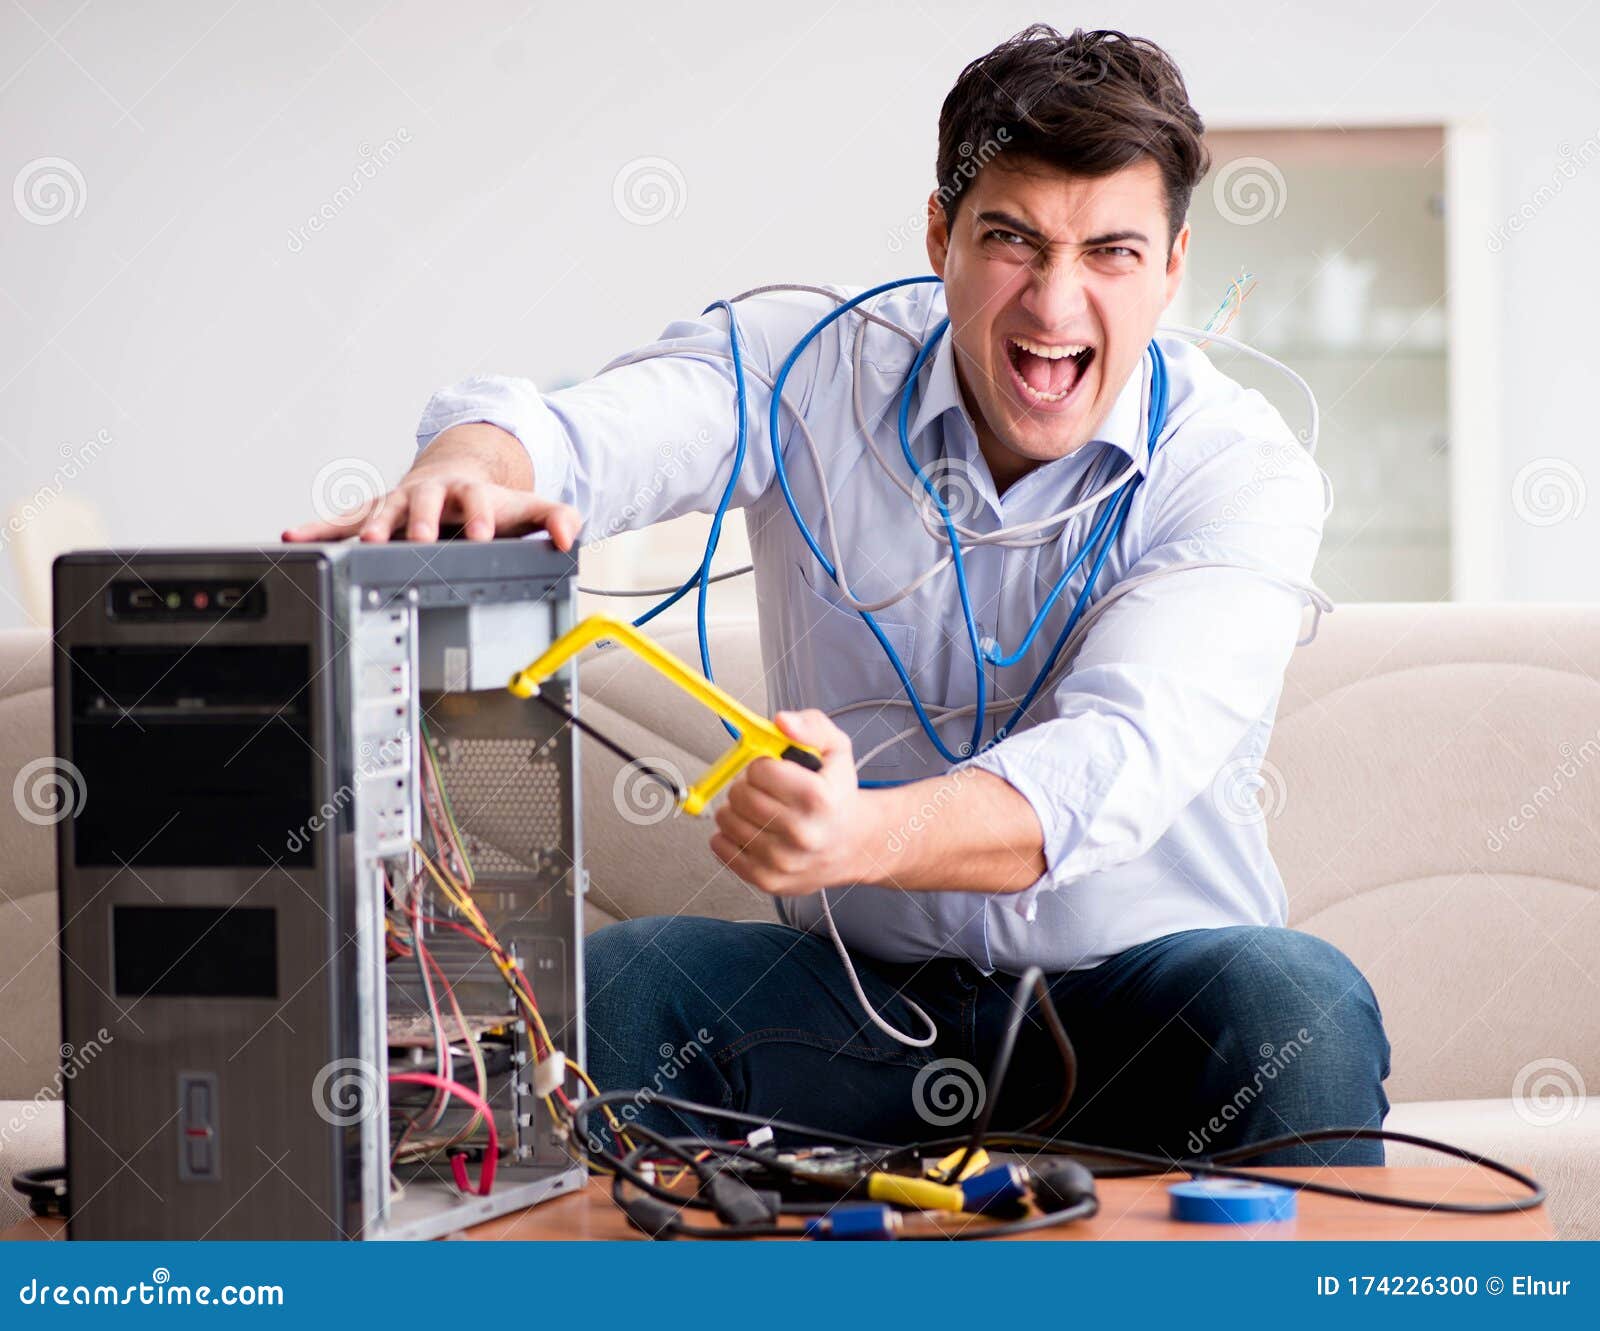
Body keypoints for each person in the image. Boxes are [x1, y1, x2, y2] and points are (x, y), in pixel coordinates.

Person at [285, 25, 1389, 1166]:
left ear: (1171, 266)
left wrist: (866, 832)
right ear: (938, 234)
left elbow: (1119, 754)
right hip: (865, 1010)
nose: (1055, 308)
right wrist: (470, 467)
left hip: (1141, 1005)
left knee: (1294, 1002)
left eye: (1110, 252)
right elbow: (574, 434)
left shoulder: (1238, 468)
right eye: (1010, 239)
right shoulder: (810, 359)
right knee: (618, 994)